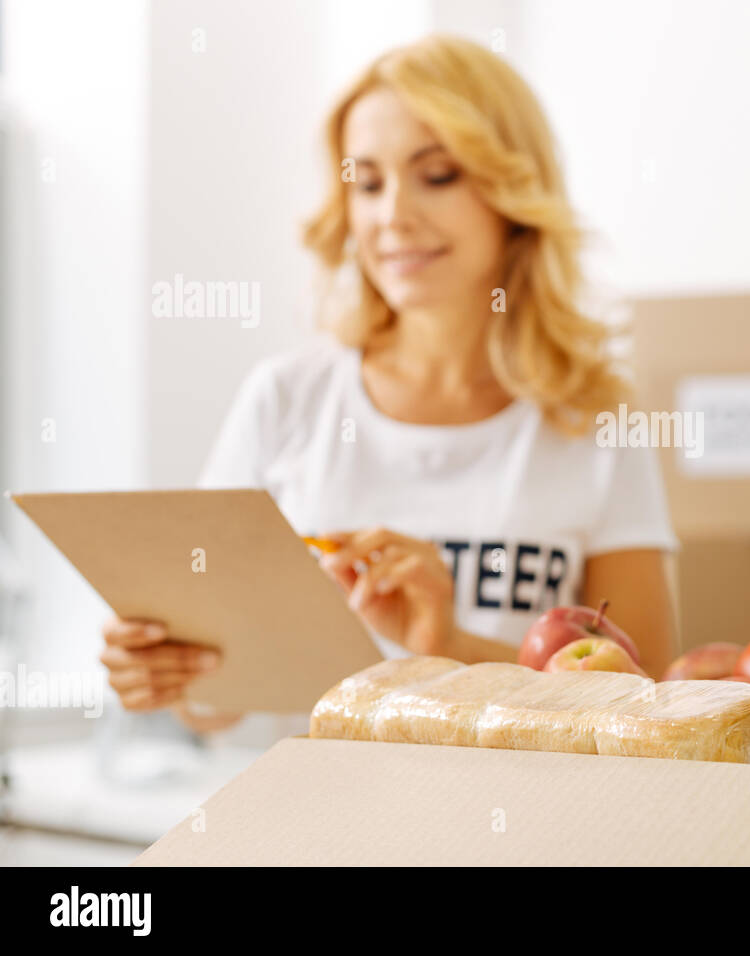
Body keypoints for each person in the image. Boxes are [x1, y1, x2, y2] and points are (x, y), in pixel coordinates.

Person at [98, 35, 680, 733]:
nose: (392, 216)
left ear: (513, 191)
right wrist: (168, 675)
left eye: (436, 175)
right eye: (367, 183)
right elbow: (218, 709)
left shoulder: (594, 420)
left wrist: (449, 648)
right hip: (312, 823)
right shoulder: (286, 399)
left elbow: (646, 712)